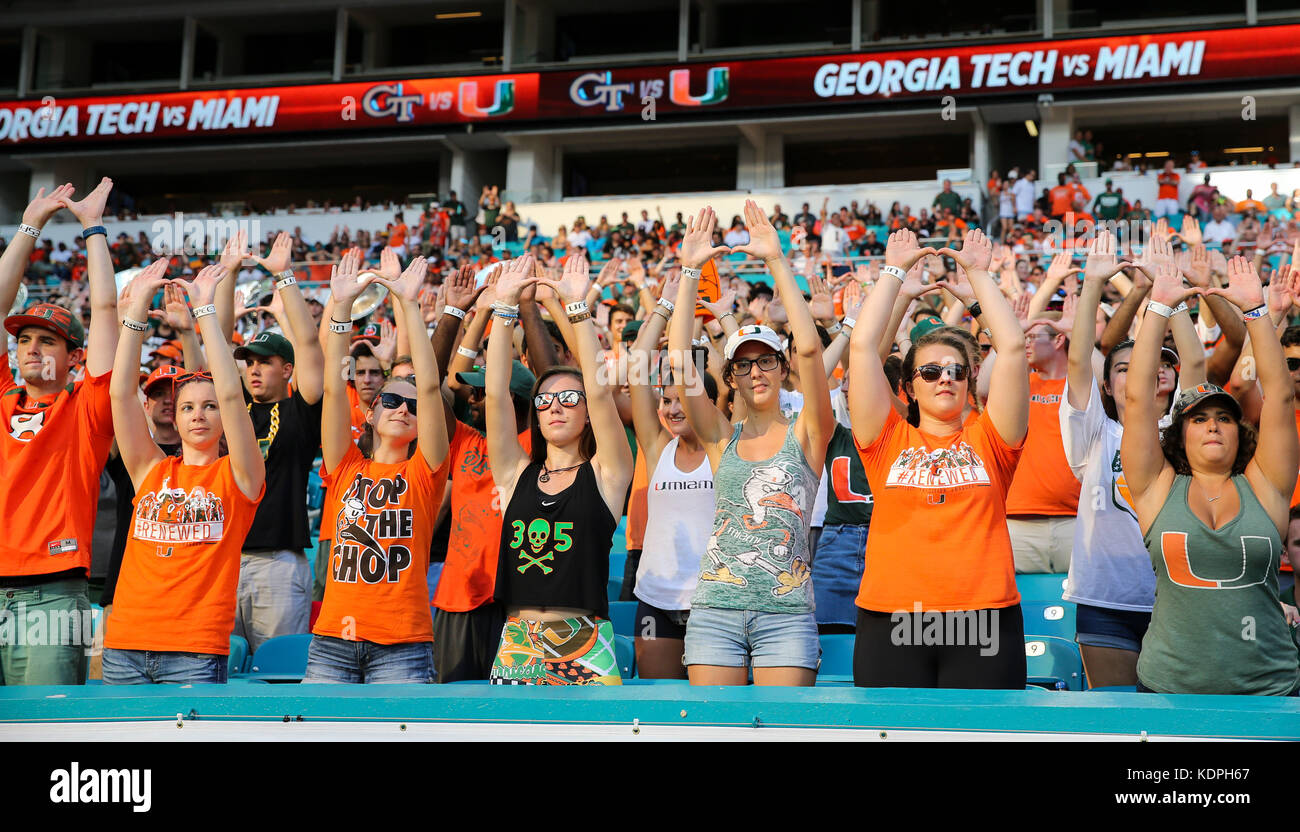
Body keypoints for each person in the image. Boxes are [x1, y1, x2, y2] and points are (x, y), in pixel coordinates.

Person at [848, 228, 1029, 689]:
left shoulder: (993, 439)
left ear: (970, 382)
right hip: (891, 615)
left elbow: (1010, 348)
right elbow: (863, 348)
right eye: (930, 371)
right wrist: (894, 271)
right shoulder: (886, 439)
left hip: (984, 614)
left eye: (957, 371)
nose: (945, 379)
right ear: (908, 387)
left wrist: (979, 275)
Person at [672, 202, 835, 686]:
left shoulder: (809, 432)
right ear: (732, 378)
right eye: (743, 364)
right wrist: (687, 271)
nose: (756, 371)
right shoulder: (722, 437)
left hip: (786, 616)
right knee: (710, 732)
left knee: (782, 732)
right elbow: (681, 364)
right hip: (715, 614)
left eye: (767, 361)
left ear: (783, 370)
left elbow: (809, 348)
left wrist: (776, 261)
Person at [1122, 255, 1300, 695]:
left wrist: (1258, 312)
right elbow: (1139, 398)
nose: (1213, 425)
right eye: (1199, 420)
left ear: (1240, 433)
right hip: (1168, 687)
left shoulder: (1266, 486)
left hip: (1270, 686)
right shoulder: (1156, 488)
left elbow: (1278, 395)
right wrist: (1158, 308)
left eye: (1223, 417)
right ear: (1179, 434)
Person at [101, 260, 265, 684]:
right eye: (188, 407)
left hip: (195, 649)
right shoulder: (150, 469)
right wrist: (136, 310)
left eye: (210, 407)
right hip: (125, 645)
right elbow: (120, 394)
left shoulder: (239, 476)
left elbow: (231, 393)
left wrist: (205, 310)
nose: (199, 415)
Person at [1059, 230, 1206, 689]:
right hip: (1105, 598)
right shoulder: (1095, 434)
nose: (1149, 371)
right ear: (1108, 385)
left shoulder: (1185, 429)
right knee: (1114, 712)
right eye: (1124, 367)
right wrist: (1092, 284)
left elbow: (1196, 366)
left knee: (1179, 718)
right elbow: (1080, 359)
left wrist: (1172, 295)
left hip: (1179, 594)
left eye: (1163, 362)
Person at [484, 254, 634, 685]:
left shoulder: (607, 474)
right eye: (545, 400)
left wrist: (577, 309)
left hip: (586, 639)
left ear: (587, 414)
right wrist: (505, 309)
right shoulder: (515, 474)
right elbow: (495, 396)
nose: (555, 407)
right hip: (518, 641)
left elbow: (602, 392)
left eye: (570, 399)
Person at [305, 251, 450, 683]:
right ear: (369, 412)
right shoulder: (346, 465)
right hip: (332, 642)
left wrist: (408, 302)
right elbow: (333, 386)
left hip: (402, 645)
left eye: (412, 406)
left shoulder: (427, 471)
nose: (402, 408)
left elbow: (428, 383)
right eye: (390, 400)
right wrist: (342, 309)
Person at [0, 179, 117, 686]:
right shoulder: (3, 398)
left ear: (74, 357)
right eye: (23, 338)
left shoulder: (85, 407)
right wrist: (29, 226)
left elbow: (108, 314)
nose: (30, 348)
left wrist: (92, 228)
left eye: (46, 340)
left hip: (54, 592)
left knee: (45, 727)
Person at [215, 231, 325, 653]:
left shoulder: (301, 411)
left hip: (278, 563)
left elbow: (312, 345)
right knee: (218, 673)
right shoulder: (232, 404)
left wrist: (284, 277)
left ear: (287, 369)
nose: (253, 370)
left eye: (265, 362)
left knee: (276, 676)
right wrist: (228, 273)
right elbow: (222, 344)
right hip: (222, 558)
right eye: (250, 363)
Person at [627, 270, 718, 679]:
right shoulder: (657, 447)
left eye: (684, 399)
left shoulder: (726, 447)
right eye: (666, 399)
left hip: (714, 601)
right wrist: (662, 307)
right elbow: (634, 372)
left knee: (711, 709)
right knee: (656, 706)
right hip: (655, 600)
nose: (673, 408)